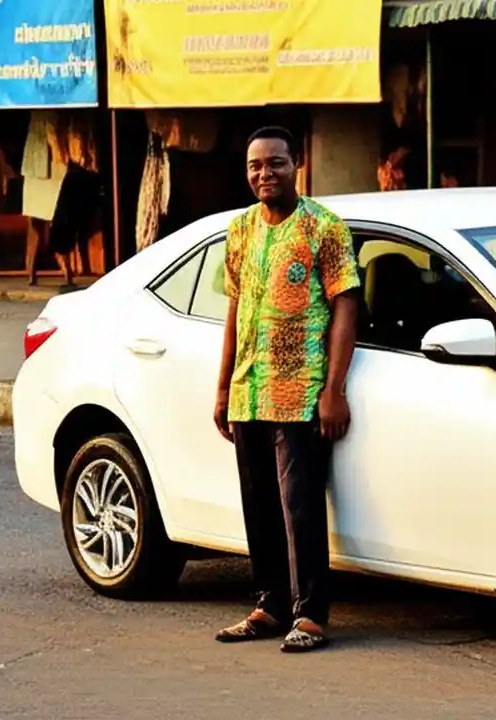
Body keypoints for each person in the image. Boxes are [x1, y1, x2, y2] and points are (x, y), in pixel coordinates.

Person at [212, 125, 360, 653]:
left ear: (296, 164)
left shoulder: (324, 228)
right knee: (259, 504)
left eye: (274, 163)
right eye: (255, 166)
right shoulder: (240, 230)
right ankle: (270, 605)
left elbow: (346, 304)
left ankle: (311, 614)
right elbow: (233, 308)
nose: (264, 174)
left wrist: (333, 390)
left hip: (300, 392)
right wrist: (224, 386)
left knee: (299, 505)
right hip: (249, 389)